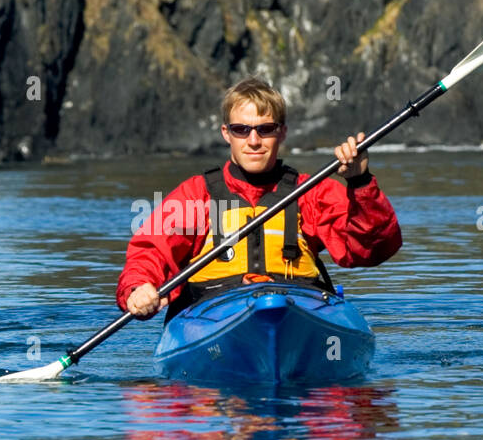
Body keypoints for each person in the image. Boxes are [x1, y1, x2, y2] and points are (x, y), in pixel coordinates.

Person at [117, 77, 402, 318]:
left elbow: (373, 248)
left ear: (282, 132)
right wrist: (139, 287)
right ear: (226, 134)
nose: (254, 140)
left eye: (265, 129)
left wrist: (360, 181)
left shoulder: (312, 191)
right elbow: (149, 253)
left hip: (296, 313)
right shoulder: (196, 194)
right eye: (242, 130)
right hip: (211, 316)